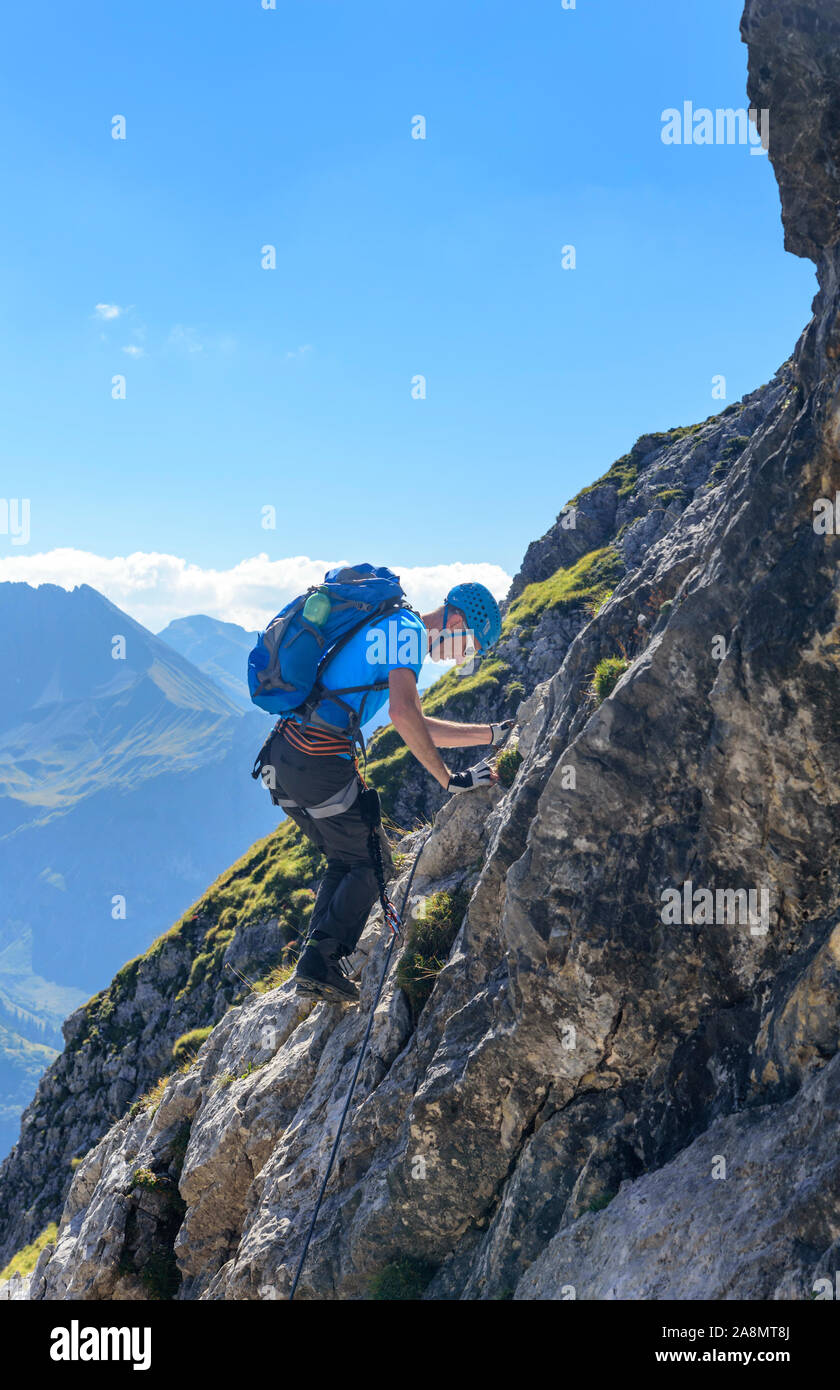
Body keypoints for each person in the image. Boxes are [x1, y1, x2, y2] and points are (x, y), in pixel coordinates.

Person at [260, 581, 510, 1003]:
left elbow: (414, 722)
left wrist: (490, 733)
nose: (464, 657)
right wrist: (449, 780)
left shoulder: (396, 625)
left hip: (284, 758)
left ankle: (316, 962)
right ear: (456, 620)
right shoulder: (409, 632)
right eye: (469, 644)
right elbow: (402, 713)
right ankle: (320, 962)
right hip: (317, 757)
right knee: (371, 859)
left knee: (348, 855)